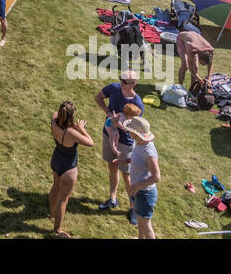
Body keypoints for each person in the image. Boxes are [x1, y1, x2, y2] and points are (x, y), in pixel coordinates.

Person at [95, 70, 143, 213]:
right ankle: (113, 199)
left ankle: (133, 208)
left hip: (125, 143)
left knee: (127, 177)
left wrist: (121, 124)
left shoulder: (137, 103)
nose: (121, 83)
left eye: (124, 81)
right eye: (121, 79)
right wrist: (108, 112)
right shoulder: (114, 88)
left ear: (134, 84)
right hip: (108, 135)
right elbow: (98, 98)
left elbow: (137, 129)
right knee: (112, 167)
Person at [48, 100, 94, 238]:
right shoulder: (72, 133)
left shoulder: (54, 120)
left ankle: (51, 214)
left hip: (56, 159)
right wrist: (81, 128)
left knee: (55, 187)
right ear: (71, 116)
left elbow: (56, 114)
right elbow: (90, 143)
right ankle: (57, 230)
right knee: (63, 199)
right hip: (68, 166)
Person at [121, 116, 160, 239]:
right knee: (139, 219)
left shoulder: (149, 152)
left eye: (130, 130)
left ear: (136, 134)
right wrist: (125, 161)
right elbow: (137, 159)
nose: (128, 132)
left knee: (146, 225)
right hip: (138, 191)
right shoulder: (139, 143)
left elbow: (156, 177)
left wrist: (136, 186)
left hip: (145, 194)